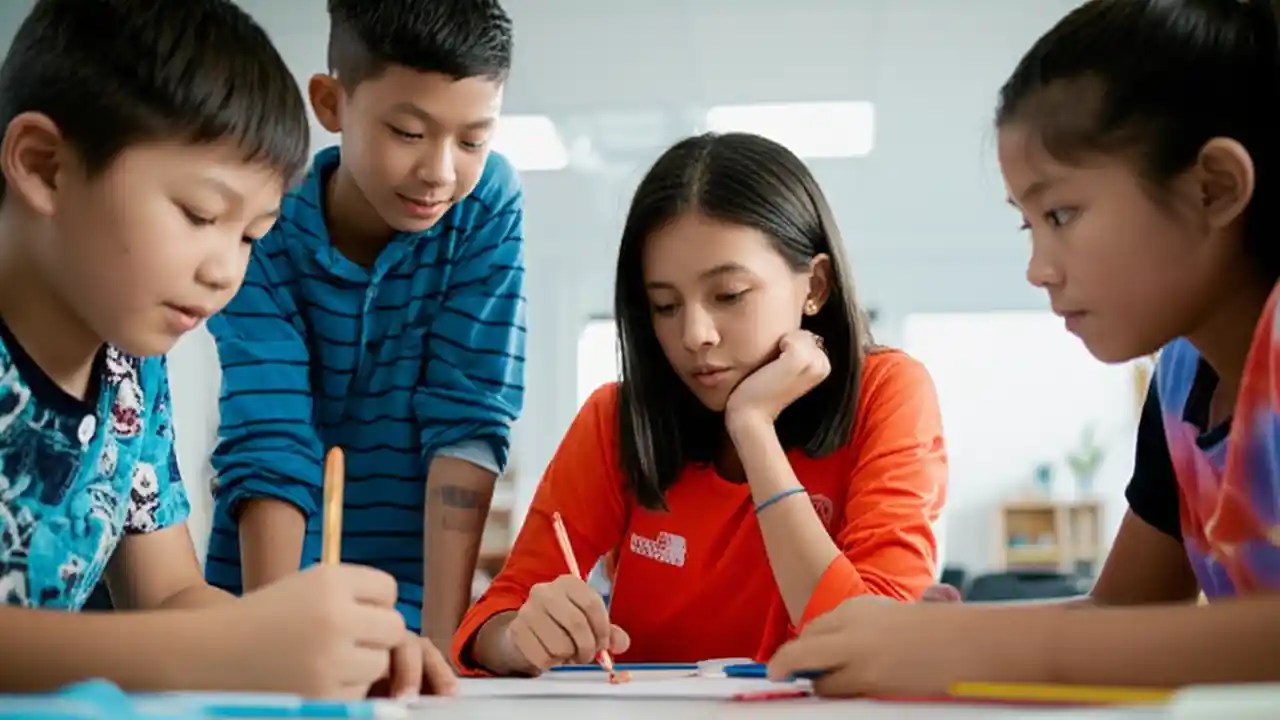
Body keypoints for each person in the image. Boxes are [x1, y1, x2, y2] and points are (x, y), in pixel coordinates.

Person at [769, 0, 1280, 696]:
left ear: (1213, 188)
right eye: (1028, 225)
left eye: (1061, 214)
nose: (1038, 268)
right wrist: (945, 632)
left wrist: (974, 647)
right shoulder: (1180, 382)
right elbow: (1123, 612)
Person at [0, 0, 453, 697]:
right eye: (200, 215)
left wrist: (311, 647)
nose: (225, 272)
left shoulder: (130, 370)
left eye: (251, 236)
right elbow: (186, 638)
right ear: (46, 166)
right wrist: (219, 650)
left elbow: (171, 593)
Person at [451, 132, 947, 675]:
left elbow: (878, 642)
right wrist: (518, 638)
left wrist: (752, 427)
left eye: (729, 295)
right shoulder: (618, 417)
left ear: (816, 286)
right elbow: (494, 619)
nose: (694, 335)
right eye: (665, 305)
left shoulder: (888, 392)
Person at [203, 0, 526, 654]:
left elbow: (468, 415)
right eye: (408, 132)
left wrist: (445, 645)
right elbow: (270, 430)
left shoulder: (485, 203)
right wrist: (275, 642)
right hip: (264, 594)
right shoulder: (264, 216)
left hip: (413, 608)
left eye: (472, 140)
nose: (440, 172)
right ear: (331, 104)